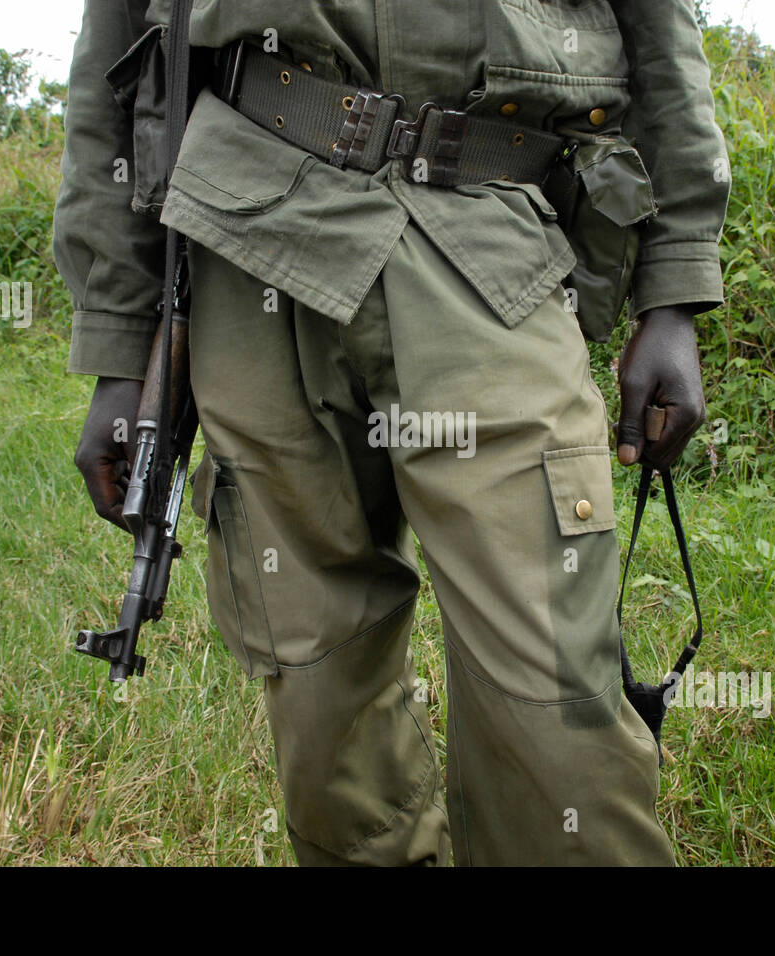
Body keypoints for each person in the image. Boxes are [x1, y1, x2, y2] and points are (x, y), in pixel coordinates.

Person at [56, 0, 729, 866]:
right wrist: (120, 345)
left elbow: (660, 33)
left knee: (559, 713)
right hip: (247, 241)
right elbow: (115, 52)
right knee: (321, 706)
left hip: (496, 238)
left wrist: (673, 290)